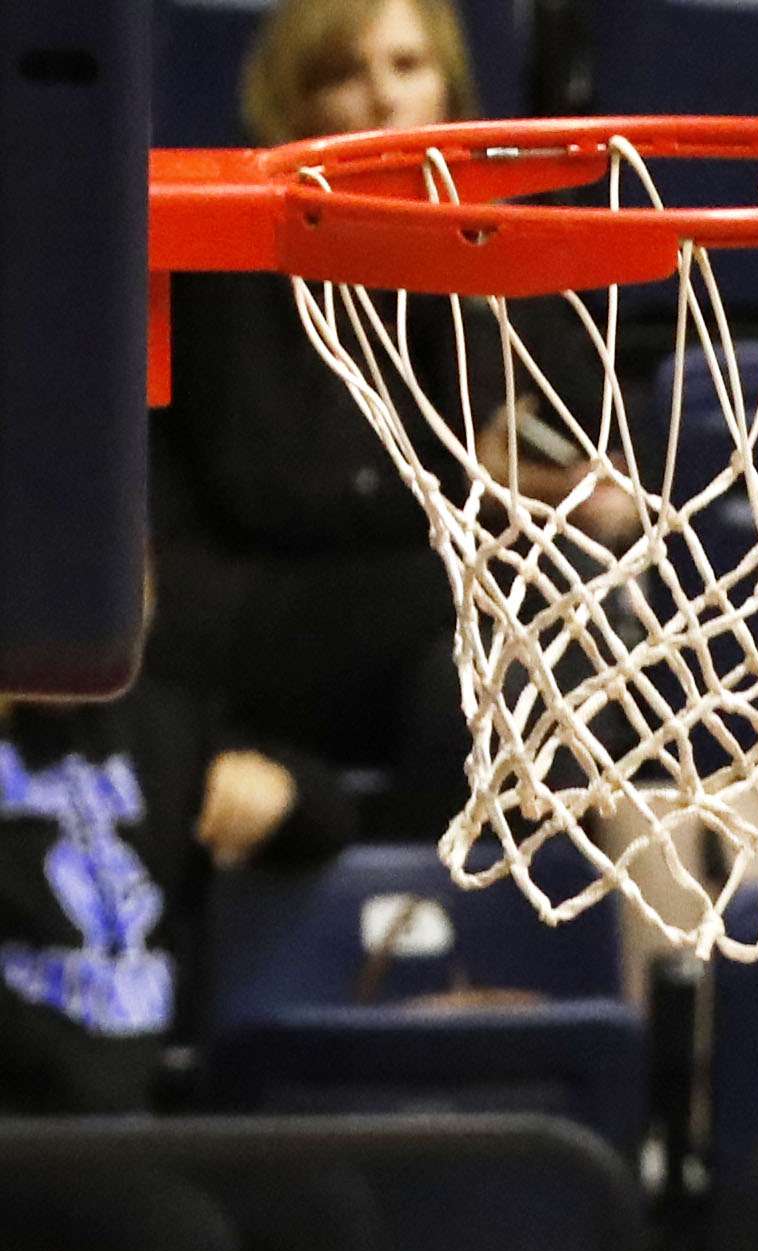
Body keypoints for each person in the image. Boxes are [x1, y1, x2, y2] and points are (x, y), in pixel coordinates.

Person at [150, 0, 619, 842]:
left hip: (436, 618)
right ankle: (436, 878)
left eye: (407, 66)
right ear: (291, 104)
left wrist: (593, 495)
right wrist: (472, 485)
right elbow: (281, 489)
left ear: (449, 89)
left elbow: (600, 440)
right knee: (508, 604)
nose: (382, 96)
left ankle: (448, 893)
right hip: (254, 610)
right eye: (343, 74)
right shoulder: (236, 268)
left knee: (514, 665)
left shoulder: (498, 254)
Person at [0, 652, 350, 1251]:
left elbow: (327, 817)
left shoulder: (153, 721)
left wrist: (278, 789)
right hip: (18, 1128)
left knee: (322, 1210)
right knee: (176, 1240)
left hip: (126, 1117)